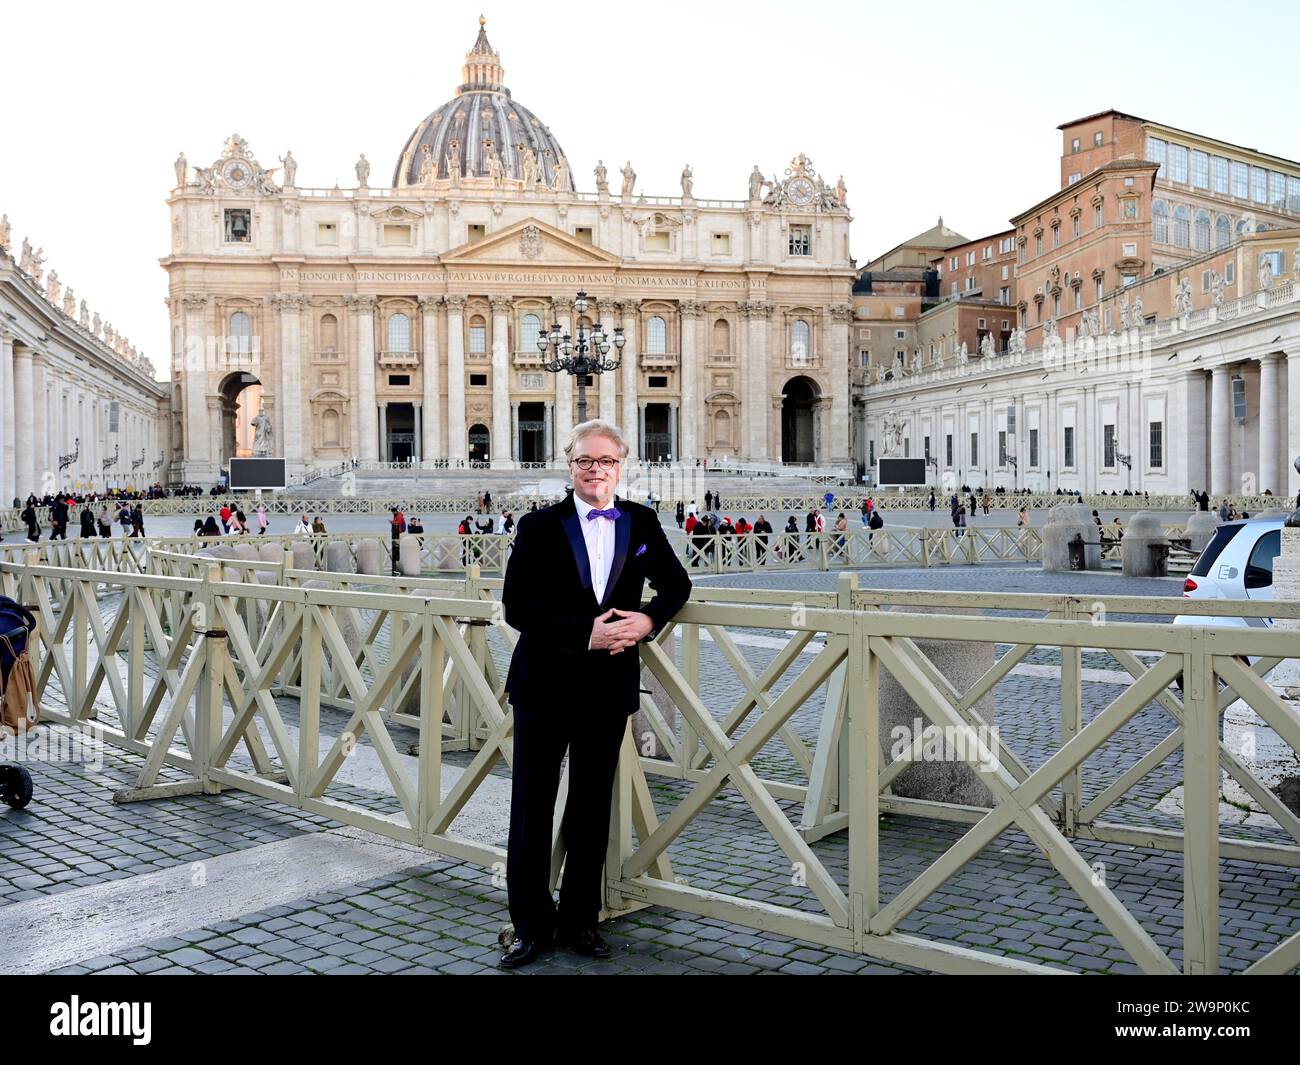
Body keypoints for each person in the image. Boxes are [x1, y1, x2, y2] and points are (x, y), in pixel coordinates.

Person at [499, 419, 690, 968]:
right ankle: (531, 925)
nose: (595, 470)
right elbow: (518, 605)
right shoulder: (538, 526)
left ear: (620, 467)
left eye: (605, 462)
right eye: (585, 461)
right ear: (570, 466)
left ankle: (581, 921)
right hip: (544, 685)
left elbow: (677, 584)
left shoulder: (642, 521)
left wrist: (647, 620)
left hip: (607, 689)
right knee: (531, 808)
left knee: (591, 808)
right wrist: (586, 632)